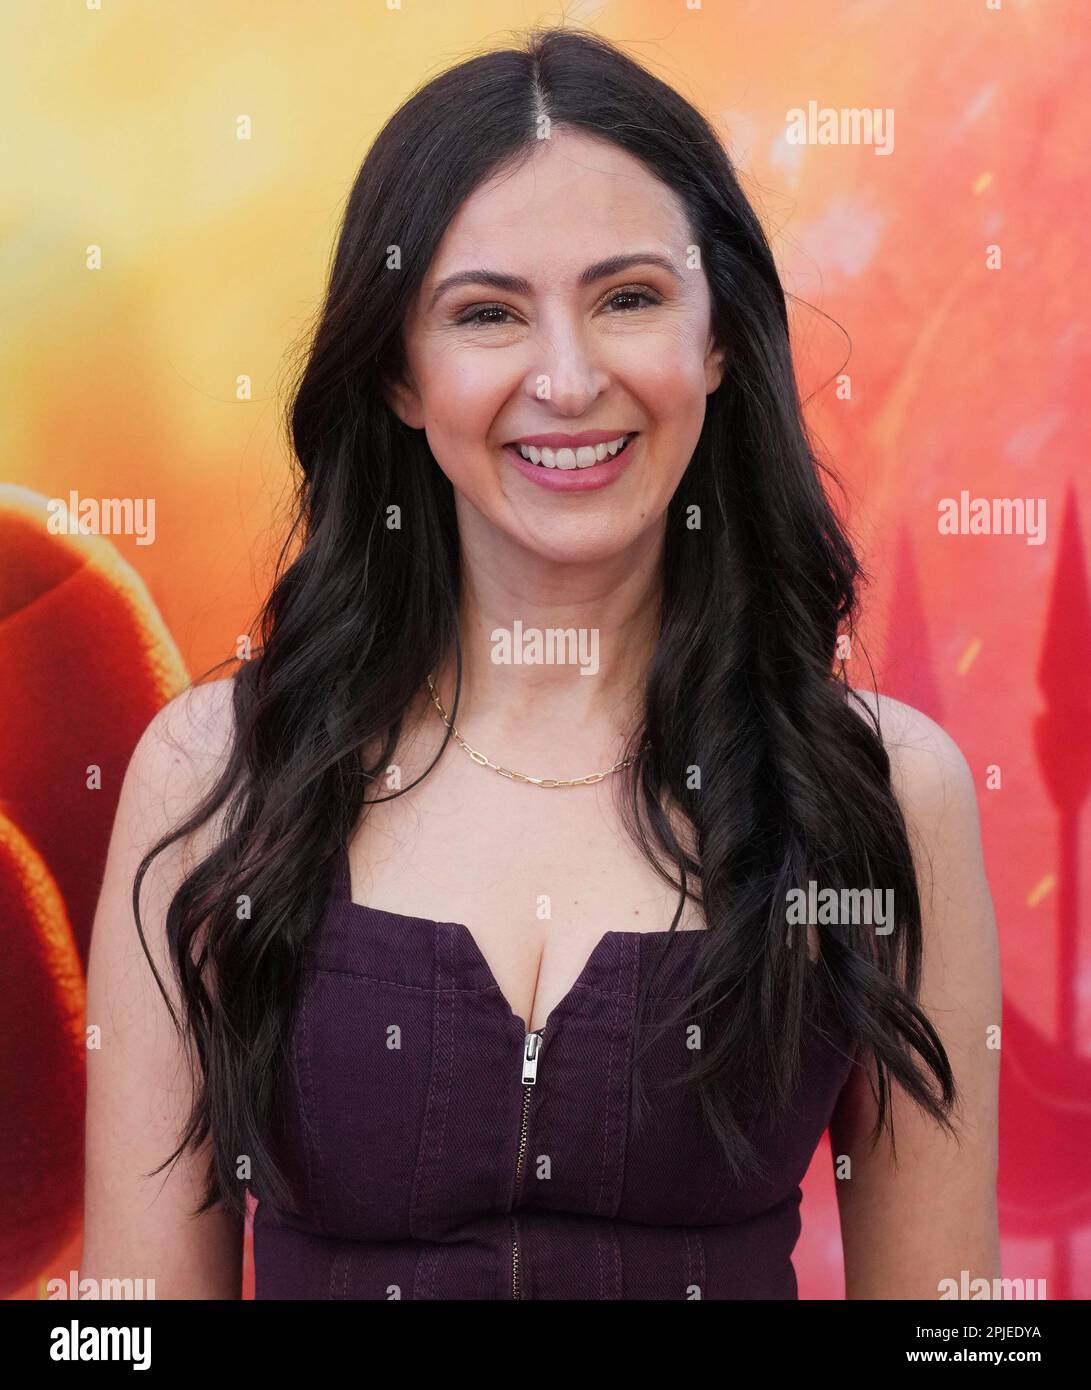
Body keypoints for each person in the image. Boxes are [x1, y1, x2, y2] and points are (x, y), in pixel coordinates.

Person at [81, 26, 1001, 1299]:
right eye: (486, 313)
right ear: (399, 373)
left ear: (719, 340)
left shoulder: (883, 792)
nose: (565, 381)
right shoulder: (213, 776)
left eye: (628, 297)